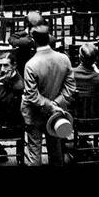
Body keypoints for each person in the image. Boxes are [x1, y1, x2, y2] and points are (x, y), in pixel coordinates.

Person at [22, 25, 75, 166]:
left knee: (34, 152)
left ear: (34, 40)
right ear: (49, 37)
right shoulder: (64, 59)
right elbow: (70, 88)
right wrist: (56, 104)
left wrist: (50, 106)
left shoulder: (31, 64)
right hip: (56, 114)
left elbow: (32, 95)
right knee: (56, 151)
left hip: (35, 114)